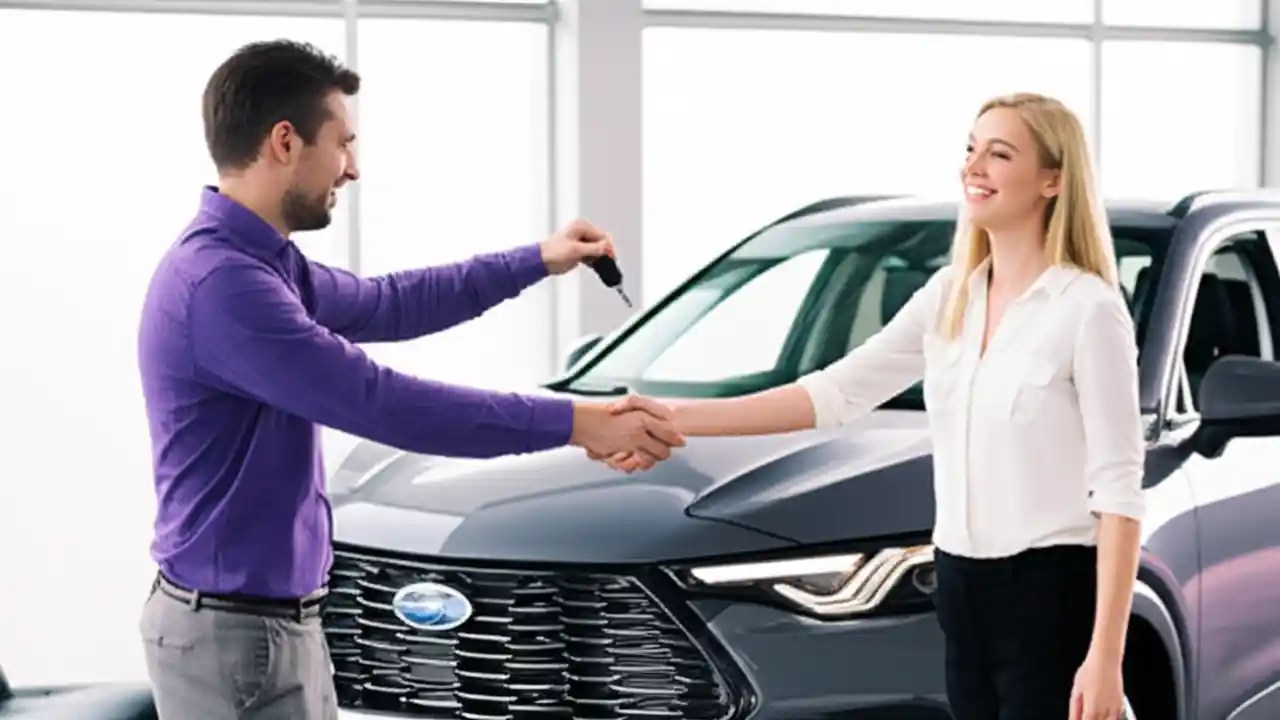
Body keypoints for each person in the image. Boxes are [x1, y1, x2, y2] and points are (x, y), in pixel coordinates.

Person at [135, 40, 682, 719]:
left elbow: (391, 302)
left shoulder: (262, 265)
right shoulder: (225, 288)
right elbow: (386, 404)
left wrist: (539, 259)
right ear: (284, 142)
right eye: (343, 143)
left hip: (261, 628)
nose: (353, 167)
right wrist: (576, 422)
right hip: (236, 636)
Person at [596, 92, 1142, 720]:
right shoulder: (950, 297)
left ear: (1053, 179)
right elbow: (833, 394)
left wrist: (1106, 657)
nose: (974, 166)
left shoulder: (1088, 310)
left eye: (999, 153)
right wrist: (672, 417)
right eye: (970, 149)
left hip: (1051, 590)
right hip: (962, 585)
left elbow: (1120, 494)